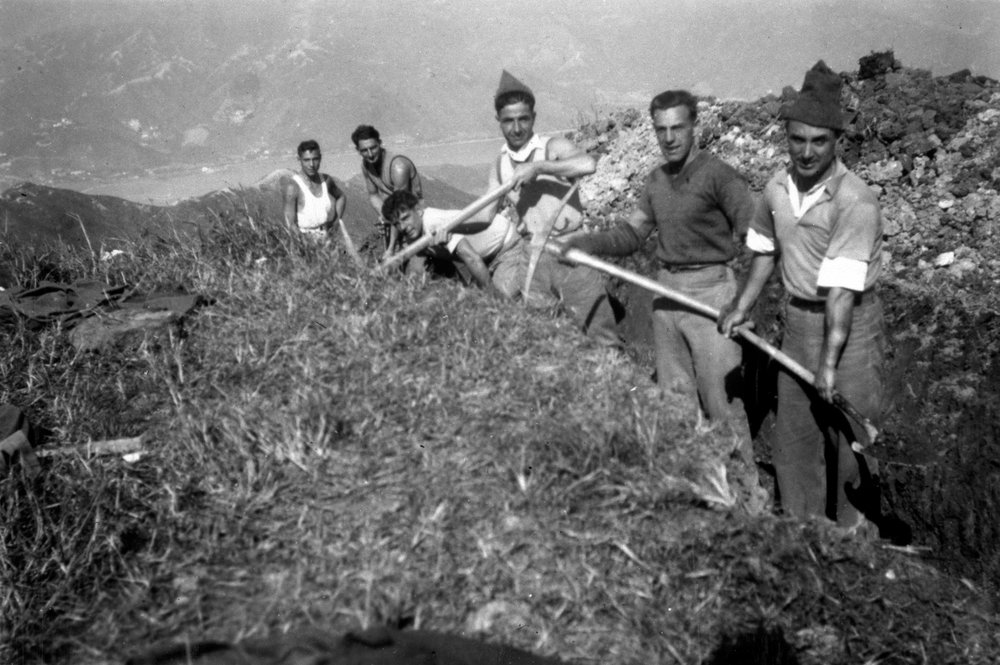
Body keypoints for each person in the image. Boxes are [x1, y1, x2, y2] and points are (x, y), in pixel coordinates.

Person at [719, 61, 885, 532]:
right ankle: (803, 536)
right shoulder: (775, 188)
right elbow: (764, 252)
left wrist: (829, 365)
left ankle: (853, 541)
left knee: (850, 445)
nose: (807, 152)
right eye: (798, 140)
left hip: (849, 331)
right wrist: (742, 306)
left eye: (819, 141)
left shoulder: (855, 201)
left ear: (837, 141)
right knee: (794, 438)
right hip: (797, 326)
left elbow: (839, 294)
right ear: (786, 137)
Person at [560, 90, 755, 426]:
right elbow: (632, 234)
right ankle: (689, 478)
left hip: (711, 294)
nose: (669, 138)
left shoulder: (720, 176)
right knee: (675, 405)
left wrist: (743, 301)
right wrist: (586, 242)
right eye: (661, 129)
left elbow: (756, 237)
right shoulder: (656, 181)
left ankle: (741, 480)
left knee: (720, 402)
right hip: (667, 295)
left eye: (677, 128)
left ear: (695, 125)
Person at [478, 70, 619, 346]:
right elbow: (484, 214)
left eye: (523, 119)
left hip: (571, 251)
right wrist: (444, 228)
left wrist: (539, 167)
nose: (516, 128)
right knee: (544, 340)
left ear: (534, 117)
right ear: (498, 121)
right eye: (508, 121)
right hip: (534, 258)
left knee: (601, 337)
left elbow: (587, 164)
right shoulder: (500, 165)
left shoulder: (552, 147)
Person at [380, 191, 523, 297]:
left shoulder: (433, 223)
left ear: (418, 211)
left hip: (509, 246)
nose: (403, 227)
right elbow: (418, 267)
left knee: (501, 300)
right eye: (397, 223)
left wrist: (492, 298)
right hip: (486, 256)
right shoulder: (413, 234)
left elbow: (471, 258)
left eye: (405, 218)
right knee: (470, 304)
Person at [351, 125, 423, 254]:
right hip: (396, 221)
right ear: (358, 150)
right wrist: (383, 215)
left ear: (380, 143)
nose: (370, 154)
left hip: (414, 219)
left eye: (373, 148)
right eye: (364, 150)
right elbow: (373, 194)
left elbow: (399, 207)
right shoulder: (366, 165)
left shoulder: (398, 166)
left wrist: (390, 248)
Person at [282, 139, 346, 237]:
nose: (311, 164)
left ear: (320, 158)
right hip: (304, 242)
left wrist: (336, 222)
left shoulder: (326, 181)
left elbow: (341, 197)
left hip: (327, 239)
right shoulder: (293, 186)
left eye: (315, 159)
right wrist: (307, 246)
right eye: (306, 160)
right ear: (299, 160)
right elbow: (291, 225)